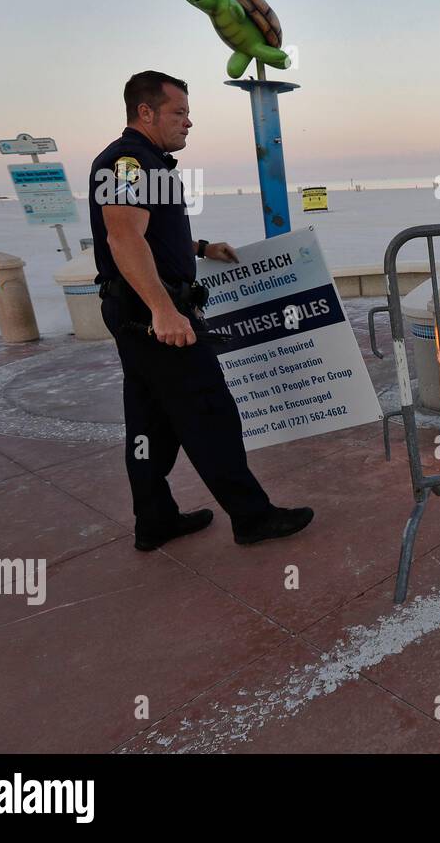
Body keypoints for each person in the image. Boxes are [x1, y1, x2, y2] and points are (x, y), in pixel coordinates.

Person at [89, 70, 313, 551]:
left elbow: (149, 232)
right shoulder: (127, 162)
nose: (189, 122)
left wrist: (200, 246)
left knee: (150, 421)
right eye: (180, 112)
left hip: (138, 312)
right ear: (145, 112)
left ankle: (155, 520)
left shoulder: (150, 161)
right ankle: (252, 517)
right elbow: (123, 235)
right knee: (209, 410)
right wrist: (163, 311)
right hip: (151, 313)